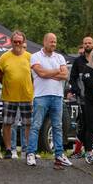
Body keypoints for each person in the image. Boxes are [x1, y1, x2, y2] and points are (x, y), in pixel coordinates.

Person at [28, 33, 70, 168]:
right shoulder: (35, 56)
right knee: (36, 125)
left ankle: (59, 155)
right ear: (44, 41)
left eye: (55, 42)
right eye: (51, 41)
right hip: (41, 96)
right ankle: (31, 154)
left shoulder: (60, 57)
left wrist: (48, 73)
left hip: (57, 96)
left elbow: (65, 75)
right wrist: (56, 71)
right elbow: (41, 73)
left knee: (57, 126)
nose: (53, 44)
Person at [0, 31, 32, 159]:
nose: (17, 43)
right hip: (9, 96)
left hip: (27, 96)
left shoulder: (30, 57)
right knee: (7, 123)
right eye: (15, 41)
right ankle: (9, 149)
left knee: (27, 124)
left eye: (20, 41)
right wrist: (8, 84)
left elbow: (35, 76)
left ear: (23, 42)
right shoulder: (4, 57)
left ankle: (27, 150)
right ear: (11, 42)